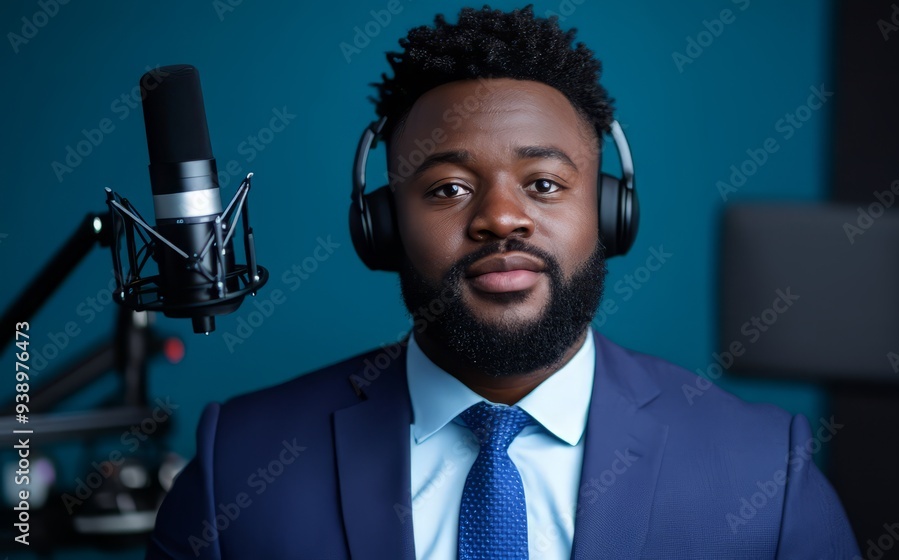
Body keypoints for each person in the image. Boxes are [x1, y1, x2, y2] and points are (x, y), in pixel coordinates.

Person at [147, 5, 860, 559]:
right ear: (382, 226)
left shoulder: (768, 472)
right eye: (449, 189)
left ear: (612, 213)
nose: (500, 218)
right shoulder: (238, 467)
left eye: (544, 183)